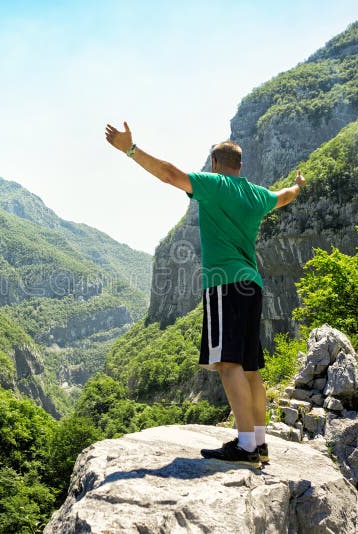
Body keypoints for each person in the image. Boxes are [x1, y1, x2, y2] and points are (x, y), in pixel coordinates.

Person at [105, 121, 305, 467]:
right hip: (251, 284)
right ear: (241, 166)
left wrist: (130, 149)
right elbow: (285, 196)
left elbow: (169, 174)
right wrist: (298, 186)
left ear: (215, 164)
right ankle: (259, 442)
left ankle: (245, 448)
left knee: (228, 365)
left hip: (224, 283)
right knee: (251, 369)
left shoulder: (214, 185)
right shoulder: (257, 194)